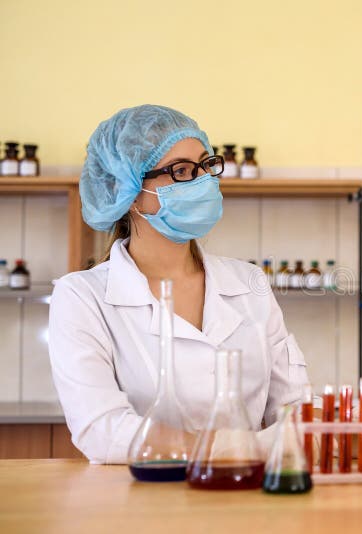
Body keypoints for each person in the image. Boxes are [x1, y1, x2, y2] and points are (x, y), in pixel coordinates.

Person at [48, 105, 310, 463]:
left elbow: (294, 406)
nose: (203, 180)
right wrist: (234, 449)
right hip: (135, 505)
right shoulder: (82, 297)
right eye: (182, 171)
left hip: (245, 499)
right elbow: (101, 429)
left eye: (206, 165)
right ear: (128, 191)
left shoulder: (250, 284)